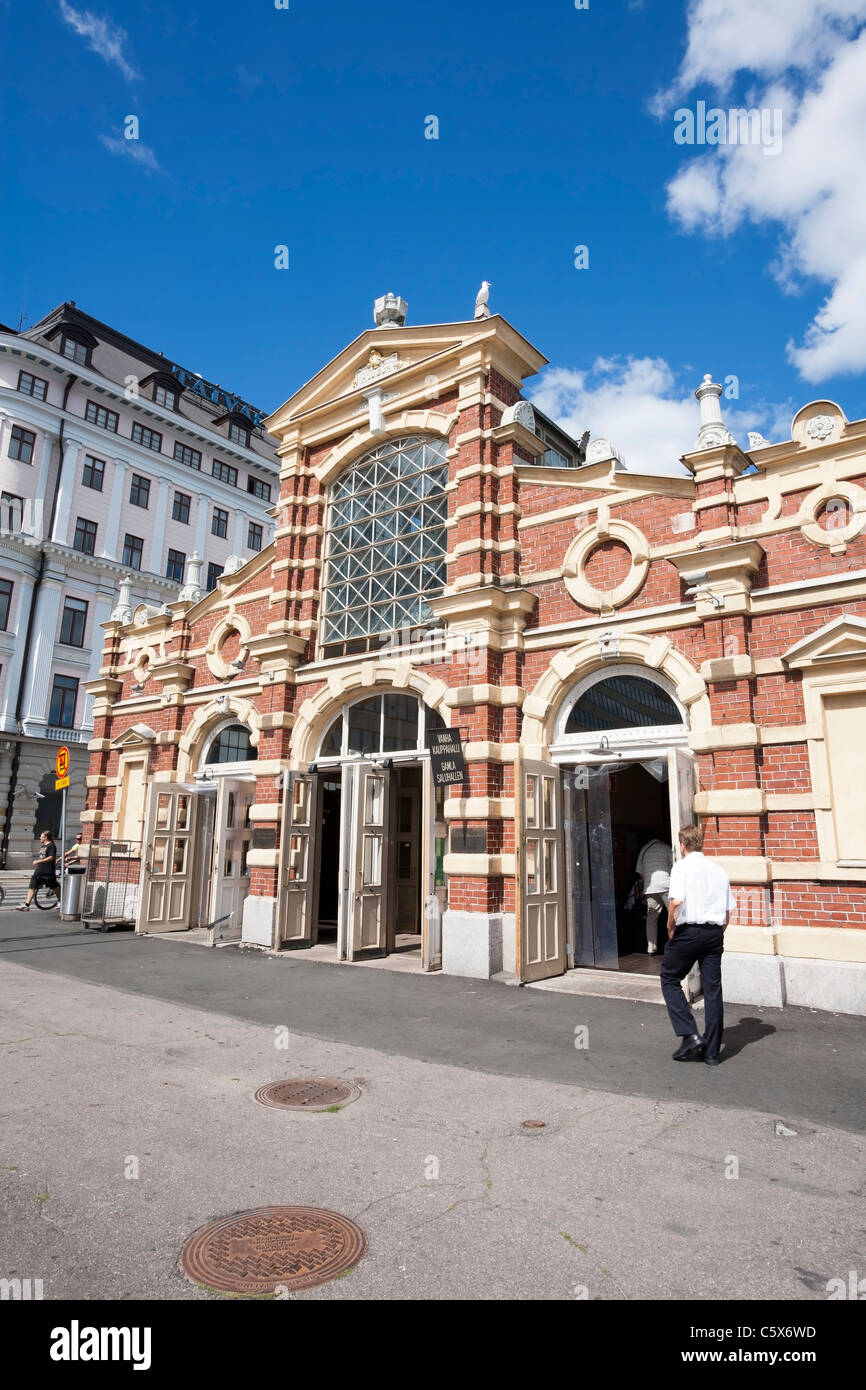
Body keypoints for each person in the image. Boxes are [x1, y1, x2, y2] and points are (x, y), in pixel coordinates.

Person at [662, 823, 733, 1066]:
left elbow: (676, 901)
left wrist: (671, 926)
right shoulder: (718, 870)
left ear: (682, 846)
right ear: (701, 843)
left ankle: (690, 1034)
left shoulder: (681, 868)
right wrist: (717, 932)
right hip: (713, 933)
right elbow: (728, 910)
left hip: (688, 932)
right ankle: (712, 1053)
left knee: (670, 978)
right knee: (713, 990)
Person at [635, 833, 672, 954]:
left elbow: (640, 873)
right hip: (666, 885)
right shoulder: (666, 848)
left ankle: (651, 947)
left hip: (650, 888)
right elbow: (675, 867)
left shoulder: (644, 850)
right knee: (673, 916)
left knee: (651, 918)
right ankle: (676, 943)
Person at [16, 830, 60, 911]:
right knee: (32, 886)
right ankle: (26, 905)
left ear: (46, 837)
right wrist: (38, 862)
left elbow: (51, 857)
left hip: (48, 871)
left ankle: (60, 902)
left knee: (54, 886)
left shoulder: (51, 846)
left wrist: (38, 861)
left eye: (41, 836)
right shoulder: (43, 846)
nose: (40, 838)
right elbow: (42, 857)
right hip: (40, 870)